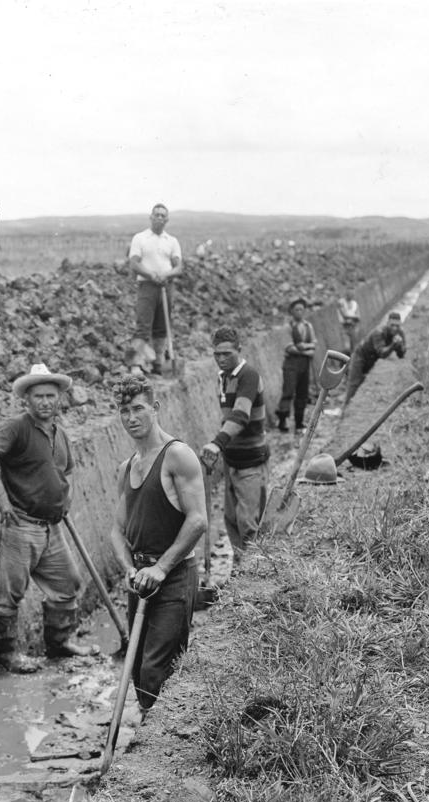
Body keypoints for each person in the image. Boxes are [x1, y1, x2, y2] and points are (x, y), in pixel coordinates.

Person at [0, 363, 95, 674]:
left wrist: (64, 498)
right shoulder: (16, 428)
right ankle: (8, 654)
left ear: (59, 399)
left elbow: (66, 471)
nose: (45, 401)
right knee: (9, 592)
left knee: (68, 583)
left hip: (51, 527)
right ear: (27, 399)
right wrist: (2, 502)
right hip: (20, 524)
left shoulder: (60, 434)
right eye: (38, 396)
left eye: (50, 396)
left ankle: (58, 644)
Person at [109, 376, 207, 713]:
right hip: (140, 579)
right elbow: (116, 531)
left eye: (138, 408)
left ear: (155, 408)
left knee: (157, 670)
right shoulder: (126, 469)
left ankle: (160, 745)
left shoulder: (177, 456)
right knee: (138, 670)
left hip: (174, 577)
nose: (131, 417)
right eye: (124, 411)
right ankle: (149, 737)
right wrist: (128, 569)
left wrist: (162, 567)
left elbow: (197, 520)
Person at [200, 326, 269, 559]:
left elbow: (240, 415)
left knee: (249, 524)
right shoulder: (224, 378)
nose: (221, 359)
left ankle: (253, 577)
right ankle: (240, 573)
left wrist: (216, 443)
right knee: (231, 521)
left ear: (239, 350)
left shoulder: (248, 375)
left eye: (227, 353)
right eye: (217, 354)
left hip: (251, 462)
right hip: (232, 462)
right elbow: (228, 418)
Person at [127, 204, 183, 375]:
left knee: (161, 326)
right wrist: (151, 275)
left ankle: (158, 362)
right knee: (143, 325)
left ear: (166, 220)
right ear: (151, 217)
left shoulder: (171, 241)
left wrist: (167, 274)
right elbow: (134, 263)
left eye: (162, 215)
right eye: (156, 214)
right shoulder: (140, 238)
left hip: (166, 287)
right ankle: (135, 364)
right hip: (147, 286)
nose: (159, 218)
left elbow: (179, 267)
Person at [344, 311, 406, 405]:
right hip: (360, 356)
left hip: (372, 359)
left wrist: (400, 345)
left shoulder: (400, 332)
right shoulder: (379, 332)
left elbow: (401, 355)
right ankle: (345, 409)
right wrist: (393, 345)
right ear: (387, 323)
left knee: (363, 383)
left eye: (397, 326)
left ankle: (353, 406)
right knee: (354, 383)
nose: (394, 328)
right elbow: (382, 353)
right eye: (392, 325)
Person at [274, 298, 317, 433]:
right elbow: (290, 348)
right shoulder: (287, 328)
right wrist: (307, 351)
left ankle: (299, 422)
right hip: (291, 364)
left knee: (302, 393)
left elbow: (314, 344)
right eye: (296, 309)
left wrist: (305, 347)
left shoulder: (308, 326)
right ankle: (283, 421)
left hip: (304, 365)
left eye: (302, 309)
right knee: (288, 392)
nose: (299, 312)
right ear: (291, 312)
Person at [337, 289, 360, 355]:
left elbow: (359, 317)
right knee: (347, 348)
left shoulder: (354, 303)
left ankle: (353, 363)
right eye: (350, 293)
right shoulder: (341, 302)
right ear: (346, 293)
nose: (351, 294)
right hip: (345, 327)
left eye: (352, 293)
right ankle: (345, 362)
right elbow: (344, 315)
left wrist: (353, 317)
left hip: (353, 327)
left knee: (354, 348)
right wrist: (354, 317)